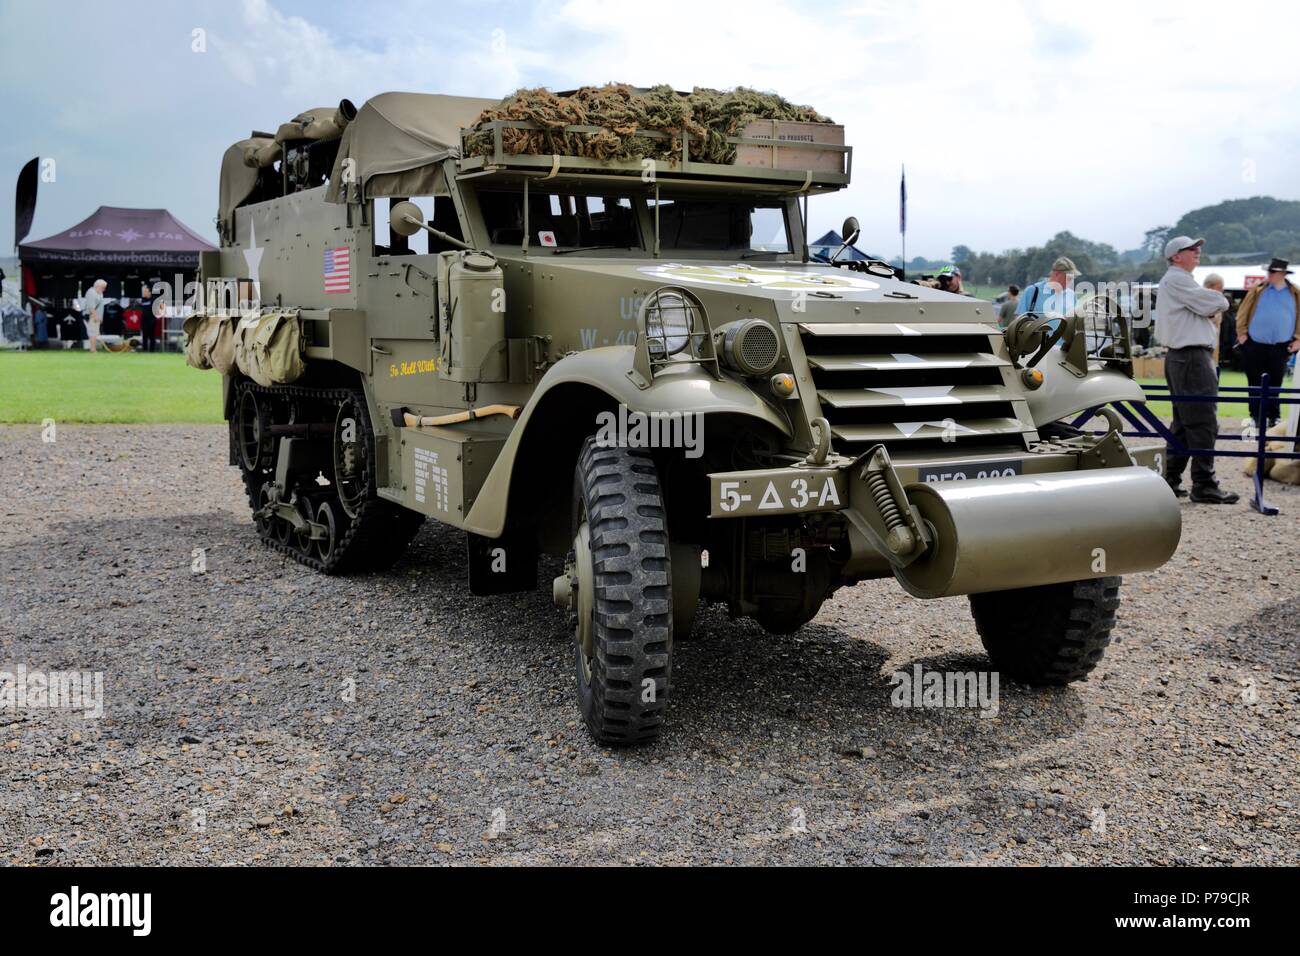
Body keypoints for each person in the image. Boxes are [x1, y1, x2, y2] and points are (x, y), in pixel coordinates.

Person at [1155, 236, 1237, 504]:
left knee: (1183, 423)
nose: (1197, 251)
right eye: (1191, 249)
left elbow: (1207, 303)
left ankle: (1170, 478)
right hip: (1191, 356)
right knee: (1202, 421)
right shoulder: (1178, 279)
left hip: (1184, 356)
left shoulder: (1176, 279)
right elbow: (1213, 304)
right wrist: (1218, 298)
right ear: (1176, 256)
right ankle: (1204, 483)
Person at [1234, 258, 1300, 425]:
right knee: (1254, 381)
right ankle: (1255, 416)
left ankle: (1274, 416)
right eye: (1269, 271)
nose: (1268, 275)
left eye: (1272, 272)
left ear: (1282, 274)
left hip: (1281, 345)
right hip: (1254, 344)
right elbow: (1243, 312)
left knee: (1276, 382)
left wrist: (1299, 339)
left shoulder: (1295, 293)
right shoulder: (1257, 290)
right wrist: (1241, 334)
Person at [81, 278, 108, 353]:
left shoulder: (99, 293)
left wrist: (100, 317)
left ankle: (94, 348)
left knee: (96, 333)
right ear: (97, 286)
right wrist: (95, 316)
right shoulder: (91, 292)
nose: (104, 289)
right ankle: (93, 349)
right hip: (91, 316)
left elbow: (100, 306)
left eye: (104, 288)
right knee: (92, 333)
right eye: (103, 287)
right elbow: (91, 307)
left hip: (97, 316)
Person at [138, 284, 158, 353]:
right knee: (144, 336)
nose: (144, 293)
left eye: (145, 292)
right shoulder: (143, 300)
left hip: (151, 320)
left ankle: (152, 350)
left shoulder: (154, 299)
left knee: (151, 336)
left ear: (149, 292)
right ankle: (144, 349)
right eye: (143, 292)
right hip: (144, 320)